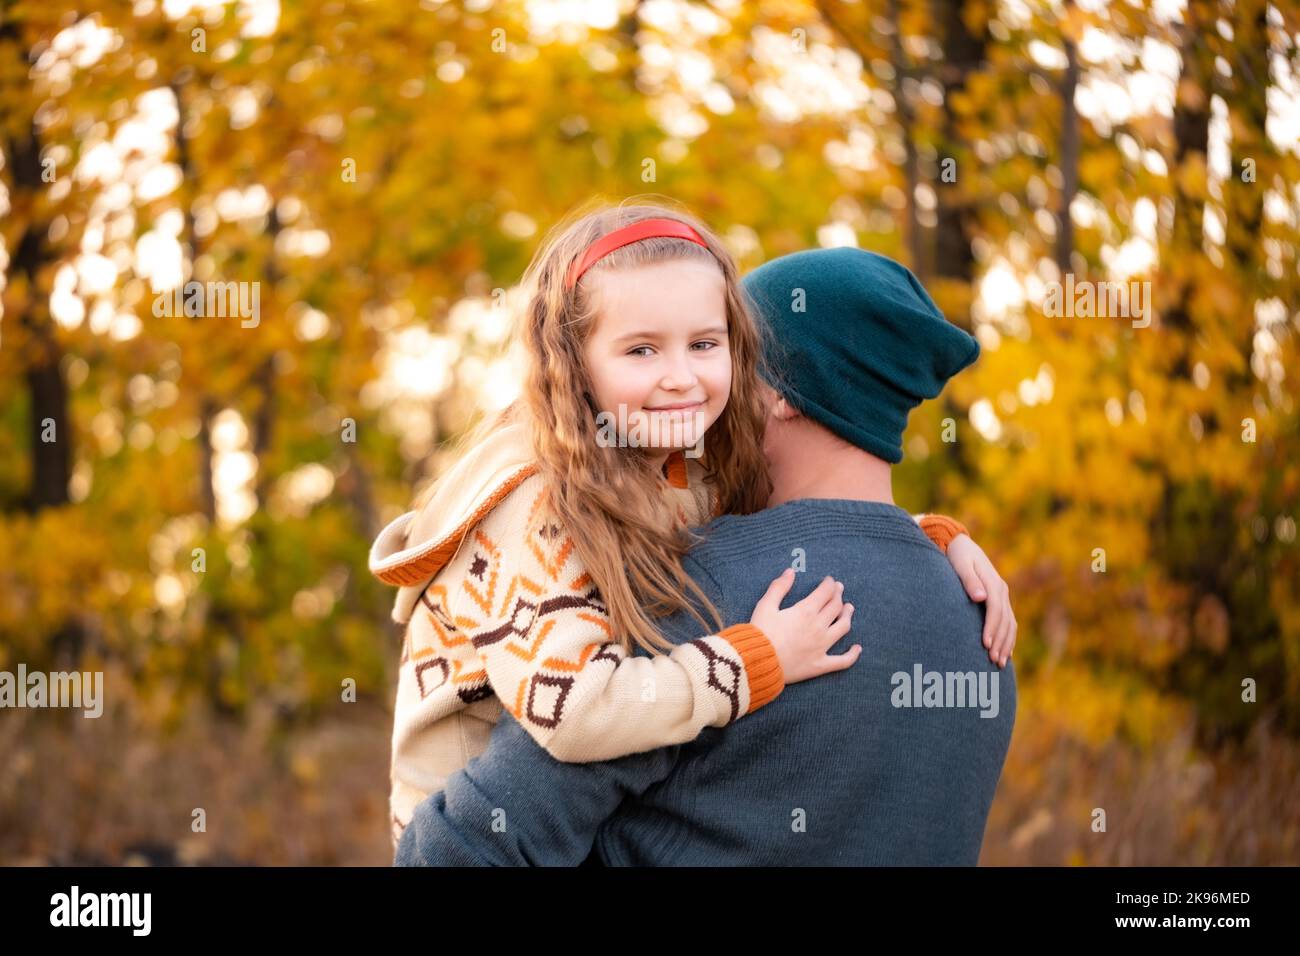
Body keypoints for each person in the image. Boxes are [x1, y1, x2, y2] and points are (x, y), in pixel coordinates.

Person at [393, 245, 1018, 866]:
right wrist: (935, 537)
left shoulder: (689, 595)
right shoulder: (981, 623)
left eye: (720, 351)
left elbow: (456, 853)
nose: (692, 387)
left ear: (782, 394)